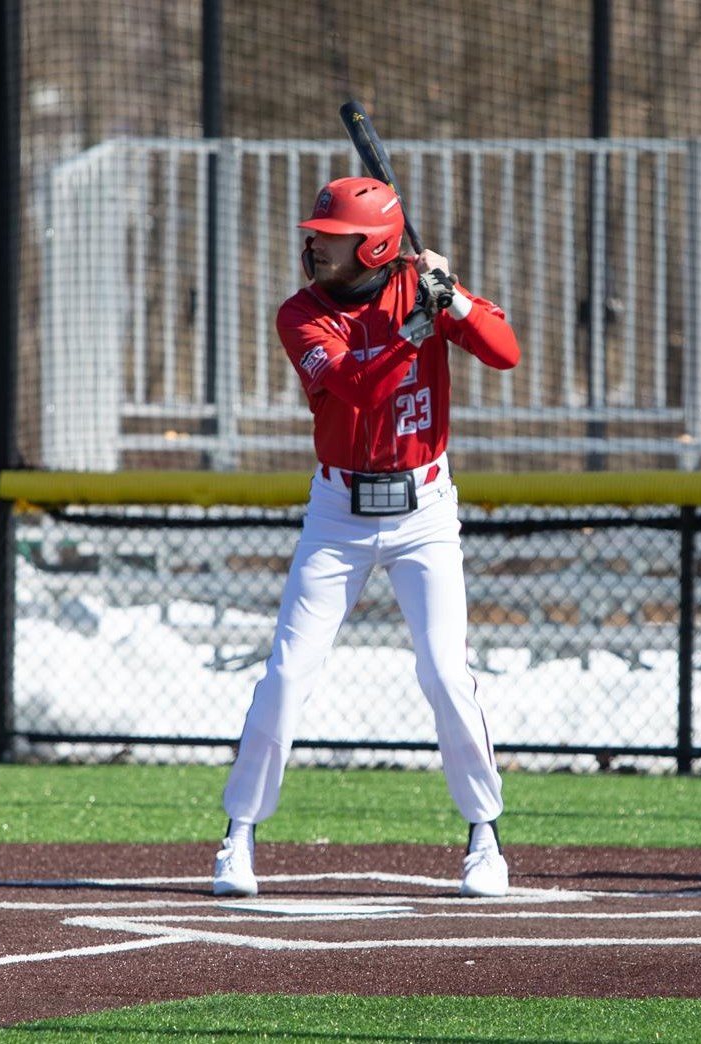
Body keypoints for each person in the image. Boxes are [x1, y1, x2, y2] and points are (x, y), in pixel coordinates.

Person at [211, 176, 521, 899]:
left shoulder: (420, 288)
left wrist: (454, 299)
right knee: (287, 673)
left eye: (333, 238)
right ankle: (238, 833)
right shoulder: (300, 313)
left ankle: (484, 835)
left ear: (375, 245)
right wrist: (414, 330)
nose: (315, 246)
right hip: (338, 515)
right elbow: (358, 387)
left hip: (424, 512)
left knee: (445, 673)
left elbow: (504, 351)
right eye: (316, 236)